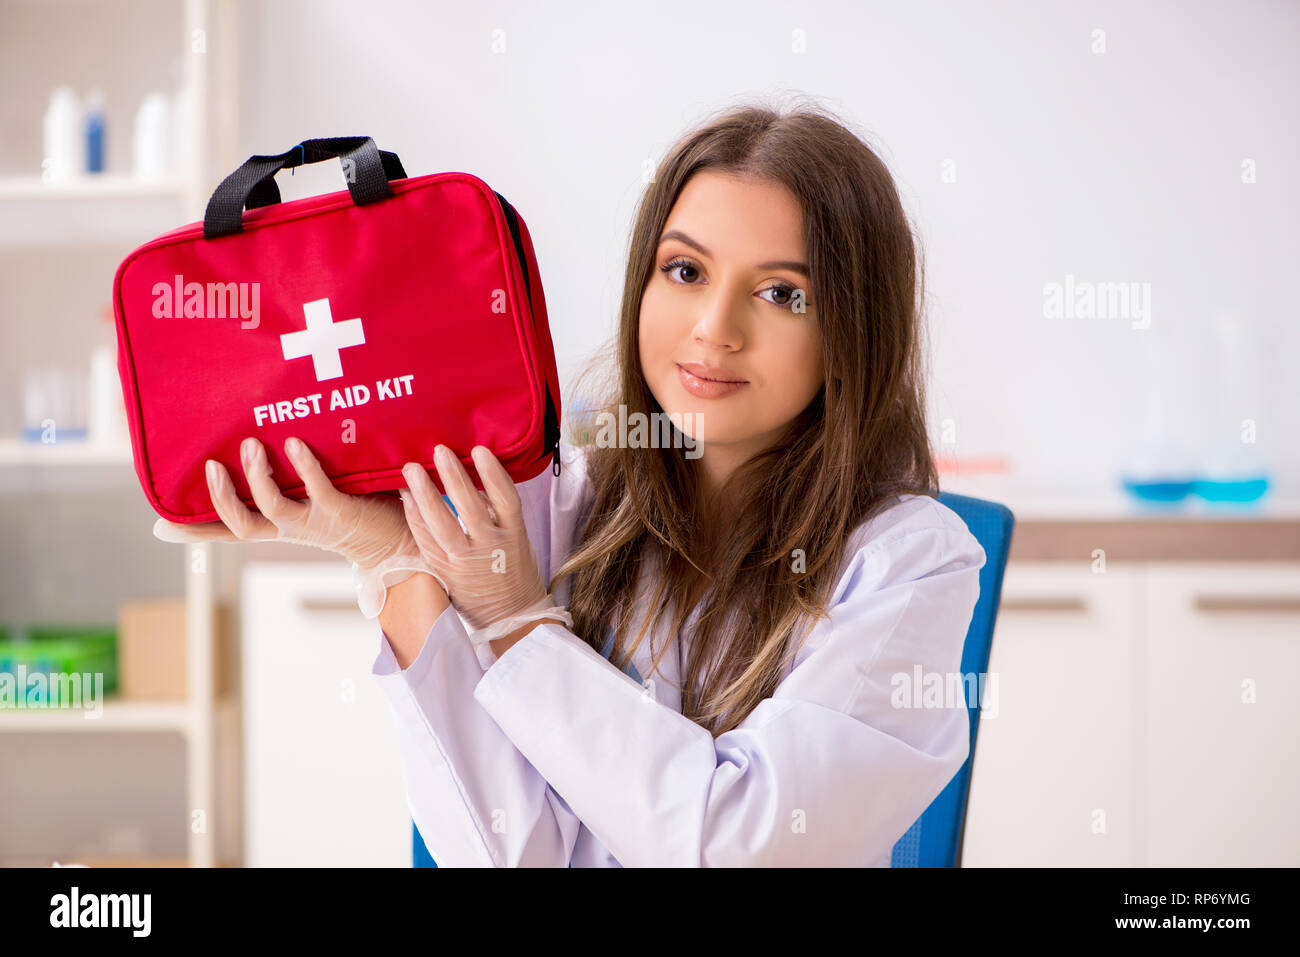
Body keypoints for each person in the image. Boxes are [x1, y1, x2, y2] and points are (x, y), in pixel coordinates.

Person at [154, 98, 987, 867]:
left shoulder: (908, 562)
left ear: (854, 330)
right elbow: (512, 854)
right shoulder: (567, 504)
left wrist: (520, 629)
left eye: (781, 292)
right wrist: (397, 561)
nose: (714, 329)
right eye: (686, 271)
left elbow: (740, 845)